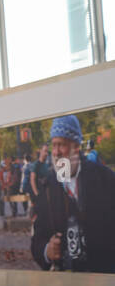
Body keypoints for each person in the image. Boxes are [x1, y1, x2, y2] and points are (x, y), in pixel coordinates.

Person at [30, 114, 115, 273]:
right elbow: (37, 240)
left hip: (104, 278)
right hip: (66, 283)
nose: (56, 152)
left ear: (76, 147)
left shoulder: (105, 178)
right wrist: (47, 251)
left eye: (61, 145)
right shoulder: (47, 186)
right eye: (53, 145)